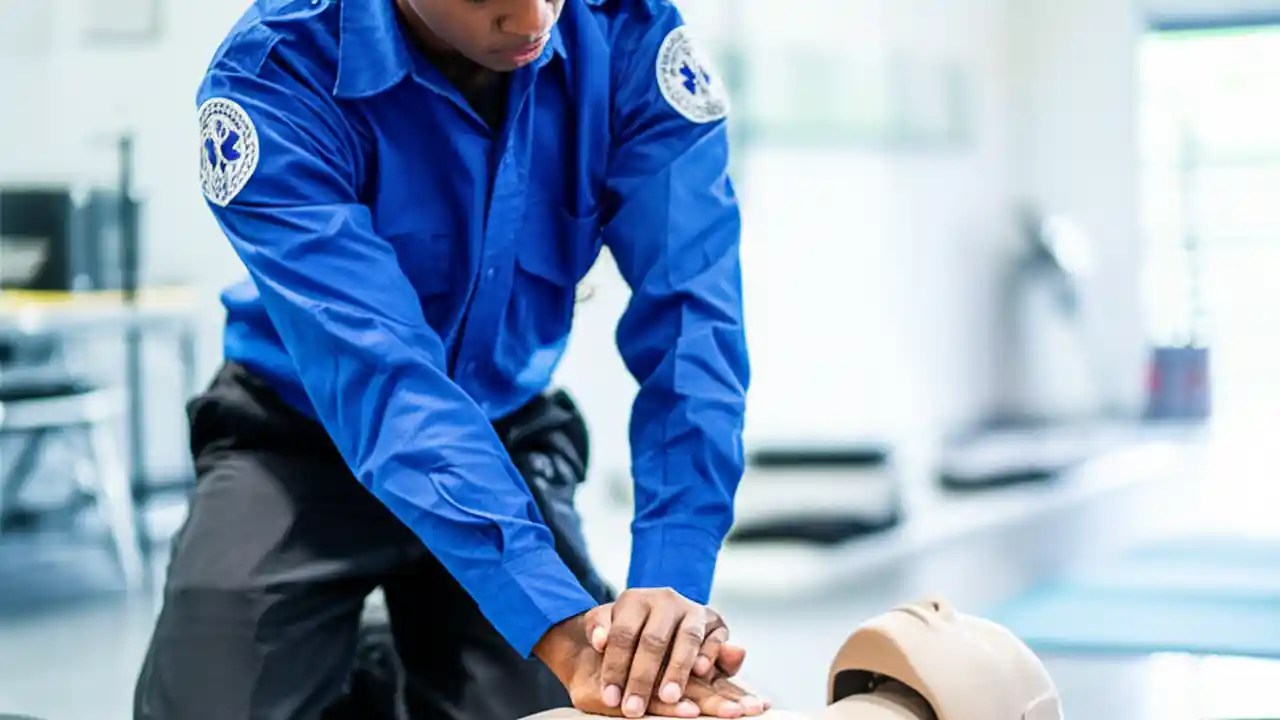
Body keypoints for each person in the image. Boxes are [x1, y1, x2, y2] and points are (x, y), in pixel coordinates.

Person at [133, 0, 755, 718]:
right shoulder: (275, 78)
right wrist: (553, 621)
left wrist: (669, 582)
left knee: (568, 710)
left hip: (504, 434)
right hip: (299, 439)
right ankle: (368, 669)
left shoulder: (628, 37)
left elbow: (693, 318)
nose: (532, 23)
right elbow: (385, 383)